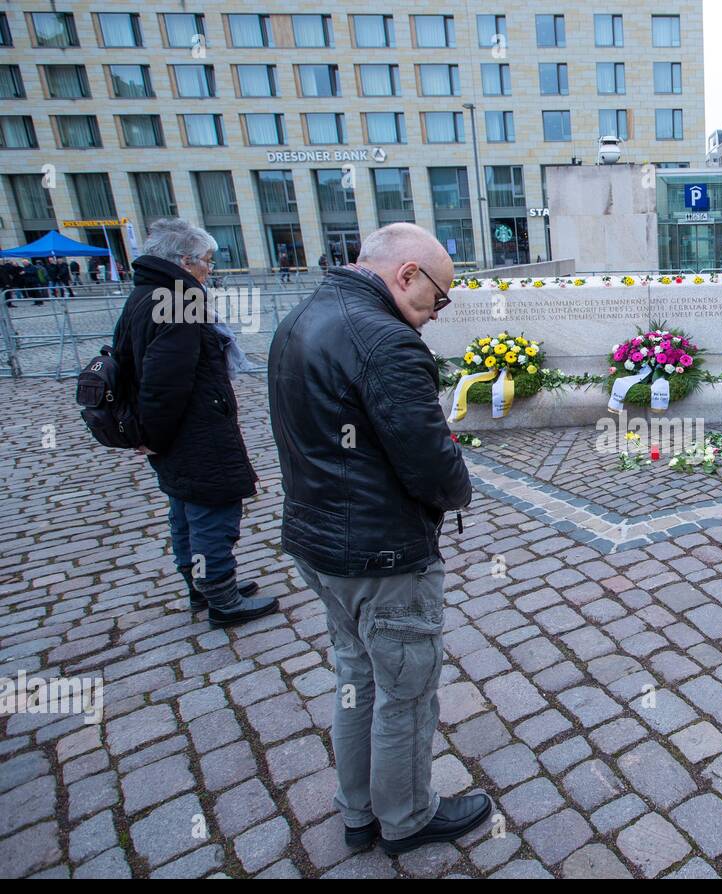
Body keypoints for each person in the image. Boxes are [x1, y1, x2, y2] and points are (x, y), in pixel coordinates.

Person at [268, 223, 484, 857]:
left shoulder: (301, 317)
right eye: (437, 297)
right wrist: (458, 491)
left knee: (356, 677)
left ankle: (359, 812)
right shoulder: (387, 341)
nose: (435, 314)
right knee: (406, 690)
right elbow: (429, 462)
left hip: (320, 544)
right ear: (407, 275)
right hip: (381, 550)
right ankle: (407, 818)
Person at [110, 218, 276, 627]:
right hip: (194, 429)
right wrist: (155, 435)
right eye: (206, 261)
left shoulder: (146, 293)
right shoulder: (180, 299)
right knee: (211, 508)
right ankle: (221, 598)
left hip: (177, 431)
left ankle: (203, 585)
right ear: (183, 261)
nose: (210, 268)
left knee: (185, 507)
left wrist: (152, 435)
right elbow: (165, 380)